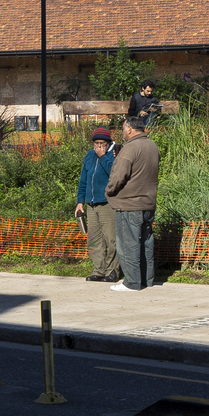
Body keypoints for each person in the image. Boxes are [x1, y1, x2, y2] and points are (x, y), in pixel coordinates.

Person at [103, 116, 161, 292]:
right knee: (146, 243)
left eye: (123, 129)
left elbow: (119, 177)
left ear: (129, 129)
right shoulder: (152, 146)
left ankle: (132, 283)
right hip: (148, 203)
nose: (122, 132)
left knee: (128, 244)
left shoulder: (129, 149)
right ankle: (146, 279)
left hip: (129, 204)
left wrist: (109, 191)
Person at [73, 129, 118, 282]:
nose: (98, 147)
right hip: (91, 203)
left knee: (111, 239)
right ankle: (99, 270)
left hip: (107, 203)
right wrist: (80, 201)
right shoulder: (89, 155)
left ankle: (113, 271)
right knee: (94, 240)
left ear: (108, 143)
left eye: (102, 144)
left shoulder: (114, 154)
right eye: (96, 144)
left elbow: (114, 173)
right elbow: (83, 180)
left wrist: (103, 156)